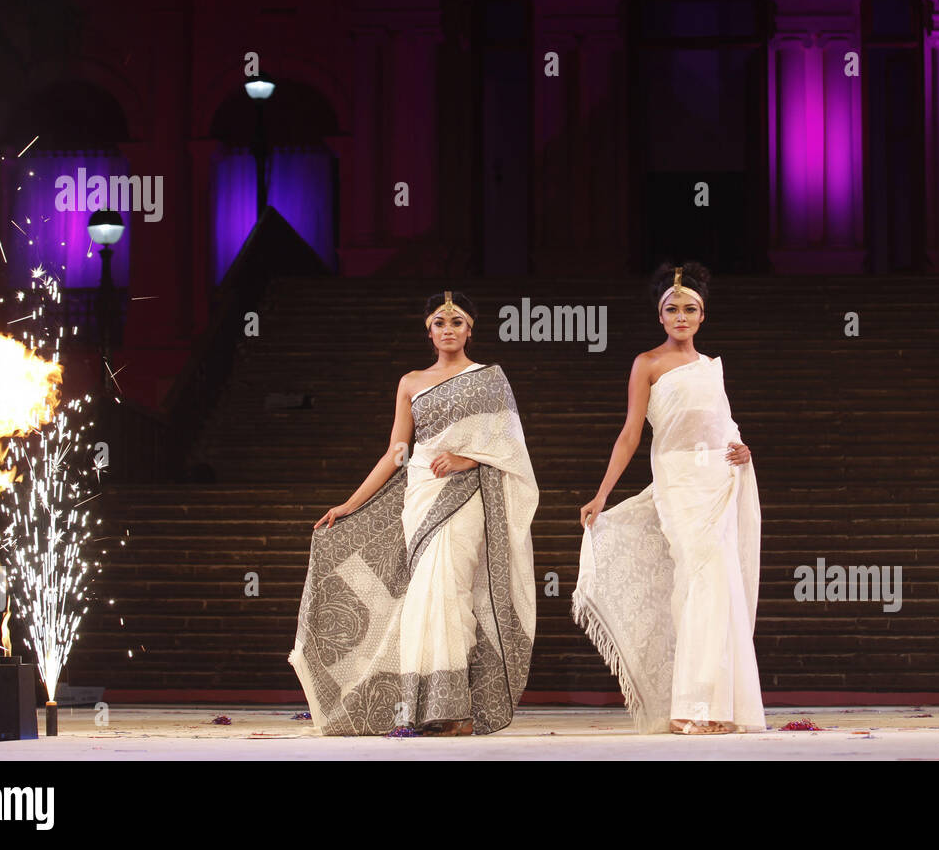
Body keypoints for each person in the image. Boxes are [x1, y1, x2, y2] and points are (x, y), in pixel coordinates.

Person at [290, 291, 538, 736]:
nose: (448, 329)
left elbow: (511, 448)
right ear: (429, 331)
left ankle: (457, 708)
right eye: (440, 323)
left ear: (470, 329)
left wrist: (470, 459)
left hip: (465, 497)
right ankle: (429, 707)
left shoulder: (489, 379)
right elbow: (397, 451)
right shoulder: (411, 382)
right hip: (421, 493)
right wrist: (350, 504)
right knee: (425, 593)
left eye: (457, 322)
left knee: (452, 591)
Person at [574, 262, 766, 734]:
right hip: (678, 483)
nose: (681, 316)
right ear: (660, 316)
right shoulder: (648, 364)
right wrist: (601, 494)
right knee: (700, 579)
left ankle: (707, 706)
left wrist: (741, 448)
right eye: (672, 308)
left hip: (717, 481)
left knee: (713, 585)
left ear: (703, 316)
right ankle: (693, 707)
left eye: (690, 308)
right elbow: (630, 435)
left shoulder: (710, 368)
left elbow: (724, 426)